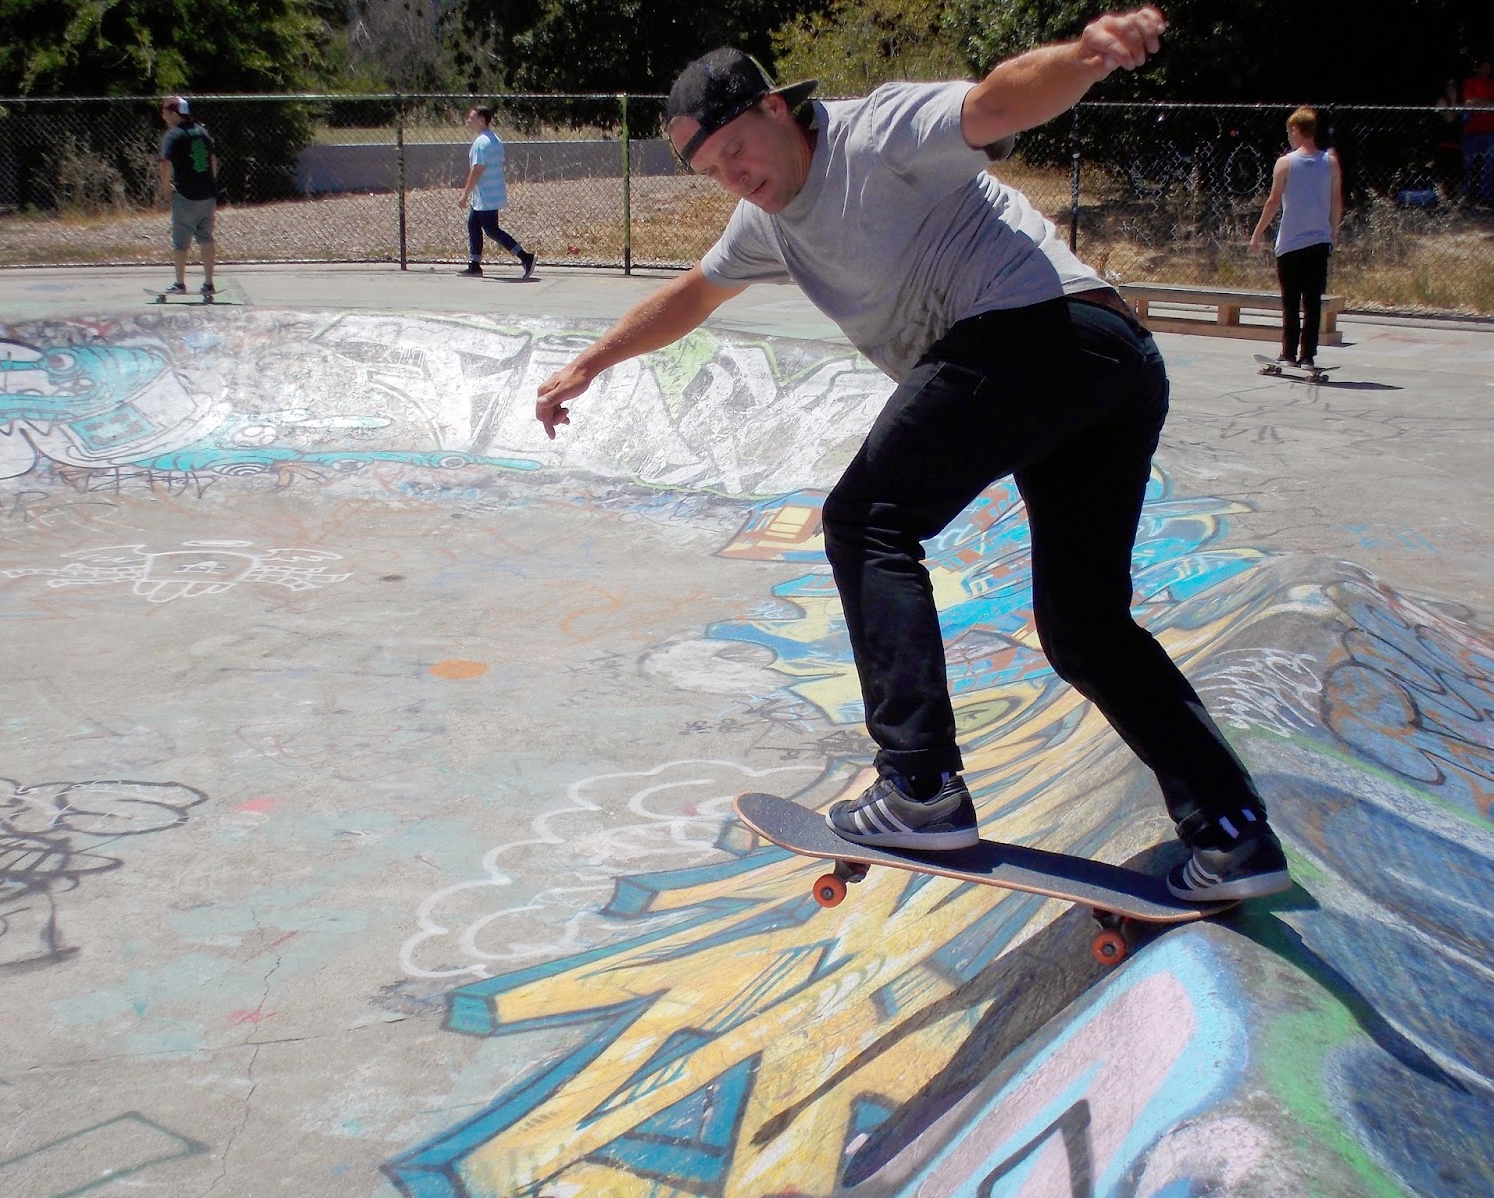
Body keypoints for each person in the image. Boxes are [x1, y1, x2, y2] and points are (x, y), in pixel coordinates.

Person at [534, 7, 1292, 902]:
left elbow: (995, 105)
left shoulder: (877, 133)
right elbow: (694, 295)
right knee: (1084, 628)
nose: (736, 179)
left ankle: (921, 786)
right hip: (1101, 369)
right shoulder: (766, 223)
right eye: (712, 173)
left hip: (1043, 334)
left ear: (777, 107)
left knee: (867, 519)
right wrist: (591, 360)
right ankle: (1234, 832)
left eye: (736, 149)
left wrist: (1084, 60)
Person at [1250, 107, 1342, 371]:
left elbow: (1273, 201)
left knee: (1290, 299)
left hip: (1290, 242)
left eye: (1290, 132)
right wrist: (1332, 232)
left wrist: (1257, 234)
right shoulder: (1330, 162)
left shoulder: (1286, 163)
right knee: (1312, 300)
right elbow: (1336, 201)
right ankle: (1308, 355)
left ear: (1296, 130)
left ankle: (1289, 352)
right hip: (1318, 241)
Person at [457, 106, 535, 279]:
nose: (469, 121)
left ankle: (525, 257)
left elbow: (477, 169)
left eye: (472, 118)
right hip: (486, 195)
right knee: (473, 224)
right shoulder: (493, 139)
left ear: (482, 120)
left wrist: (464, 194)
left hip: (486, 196)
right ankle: (474, 265)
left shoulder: (481, 143)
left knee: (492, 230)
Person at [158, 95, 219, 298]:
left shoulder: (173, 135)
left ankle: (179, 283)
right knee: (206, 238)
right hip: (207, 195)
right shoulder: (202, 132)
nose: (163, 116)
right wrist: (210, 182)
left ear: (175, 114)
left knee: (180, 242)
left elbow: (165, 162)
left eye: (166, 112)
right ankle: (208, 283)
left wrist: (166, 187)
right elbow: (212, 161)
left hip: (185, 195)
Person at [1463, 58, 1494, 207]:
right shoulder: (1470, 83)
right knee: (1468, 164)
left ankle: (1486, 196)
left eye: (1489, 68)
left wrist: (1480, 102)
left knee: (1489, 165)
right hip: (1472, 131)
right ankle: (1466, 195)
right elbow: (1468, 103)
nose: (1486, 71)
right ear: (1478, 68)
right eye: (1484, 67)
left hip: (1490, 131)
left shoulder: (1492, 84)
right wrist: (1485, 103)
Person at [1433, 77, 1463, 200]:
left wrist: (1454, 101)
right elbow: (1449, 118)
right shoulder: (1441, 101)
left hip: (1457, 143)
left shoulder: (1459, 102)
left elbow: (1458, 117)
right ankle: (1444, 198)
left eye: (1453, 87)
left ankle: (1457, 198)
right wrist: (1451, 102)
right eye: (1449, 87)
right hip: (1443, 142)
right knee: (1444, 173)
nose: (1451, 89)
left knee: (1456, 174)